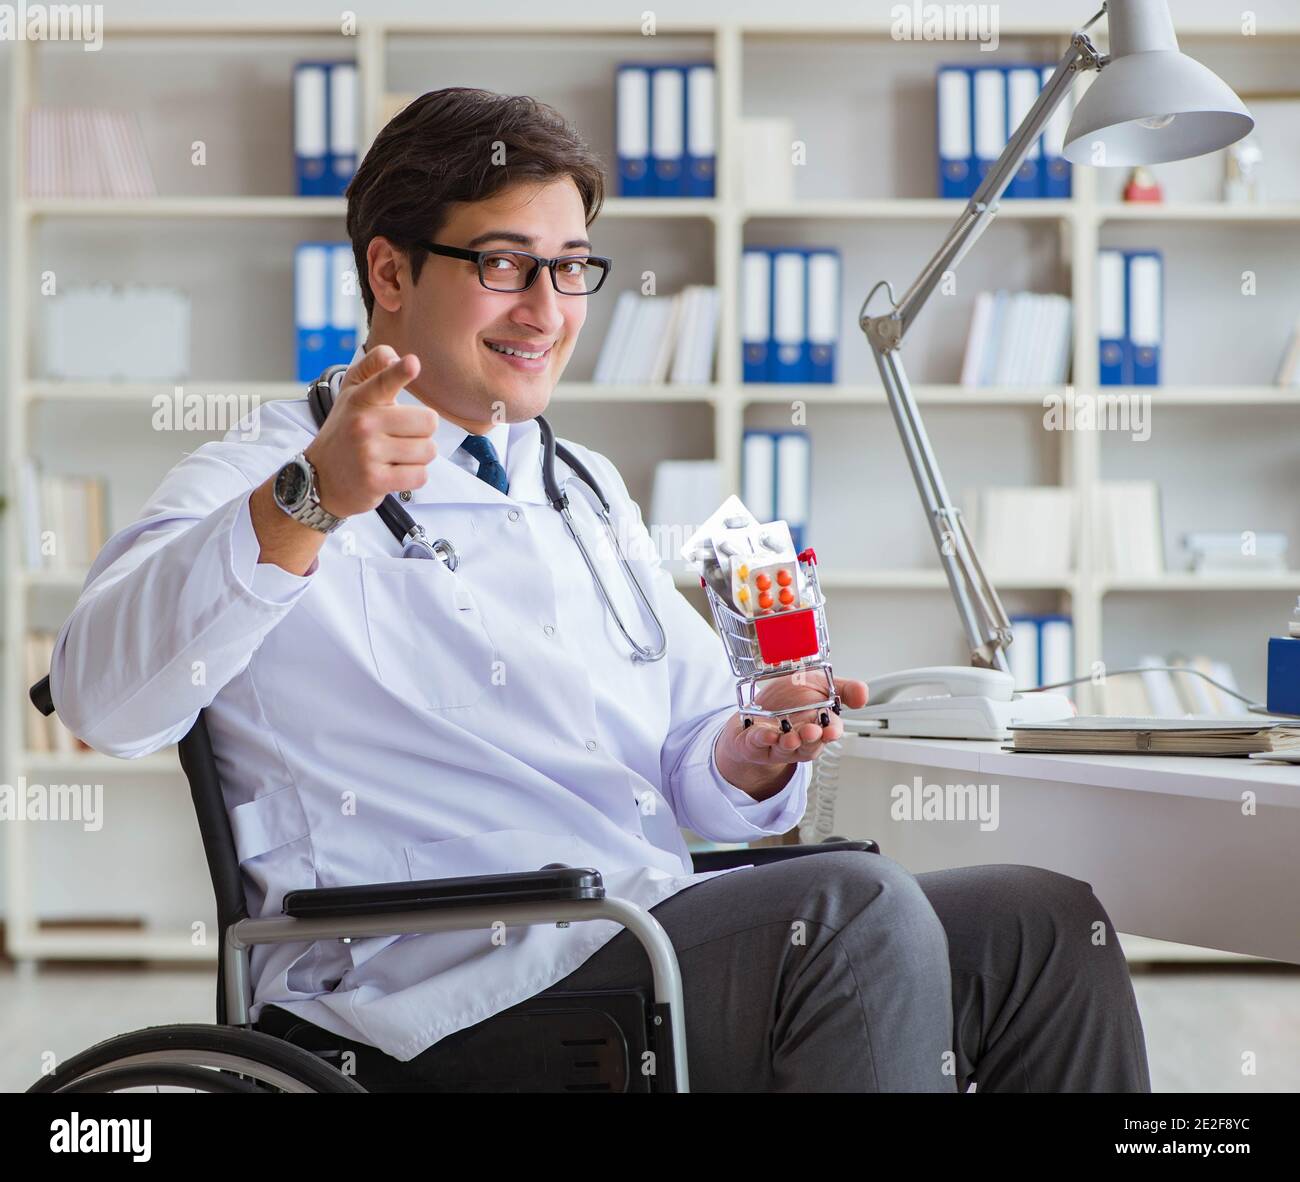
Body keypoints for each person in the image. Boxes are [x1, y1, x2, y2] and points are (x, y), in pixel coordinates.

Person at [51, 87, 1150, 1093]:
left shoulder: (579, 486)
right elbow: (103, 698)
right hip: (432, 990)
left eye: (570, 265)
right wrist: (310, 499)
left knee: (1043, 923)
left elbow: (679, 761)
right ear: (390, 273)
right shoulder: (267, 466)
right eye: (502, 263)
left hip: (633, 929)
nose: (546, 308)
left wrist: (745, 748)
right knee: (846, 914)